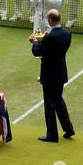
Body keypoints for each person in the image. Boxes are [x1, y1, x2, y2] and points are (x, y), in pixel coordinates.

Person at [31, 8, 74, 142]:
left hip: (49, 75)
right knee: (59, 101)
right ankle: (68, 129)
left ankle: (52, 134)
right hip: (60, 73)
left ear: (50, 20)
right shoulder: (67, 34)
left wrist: (35, 42)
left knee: (50, 105)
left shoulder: (49, 37)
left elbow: (37, 52)